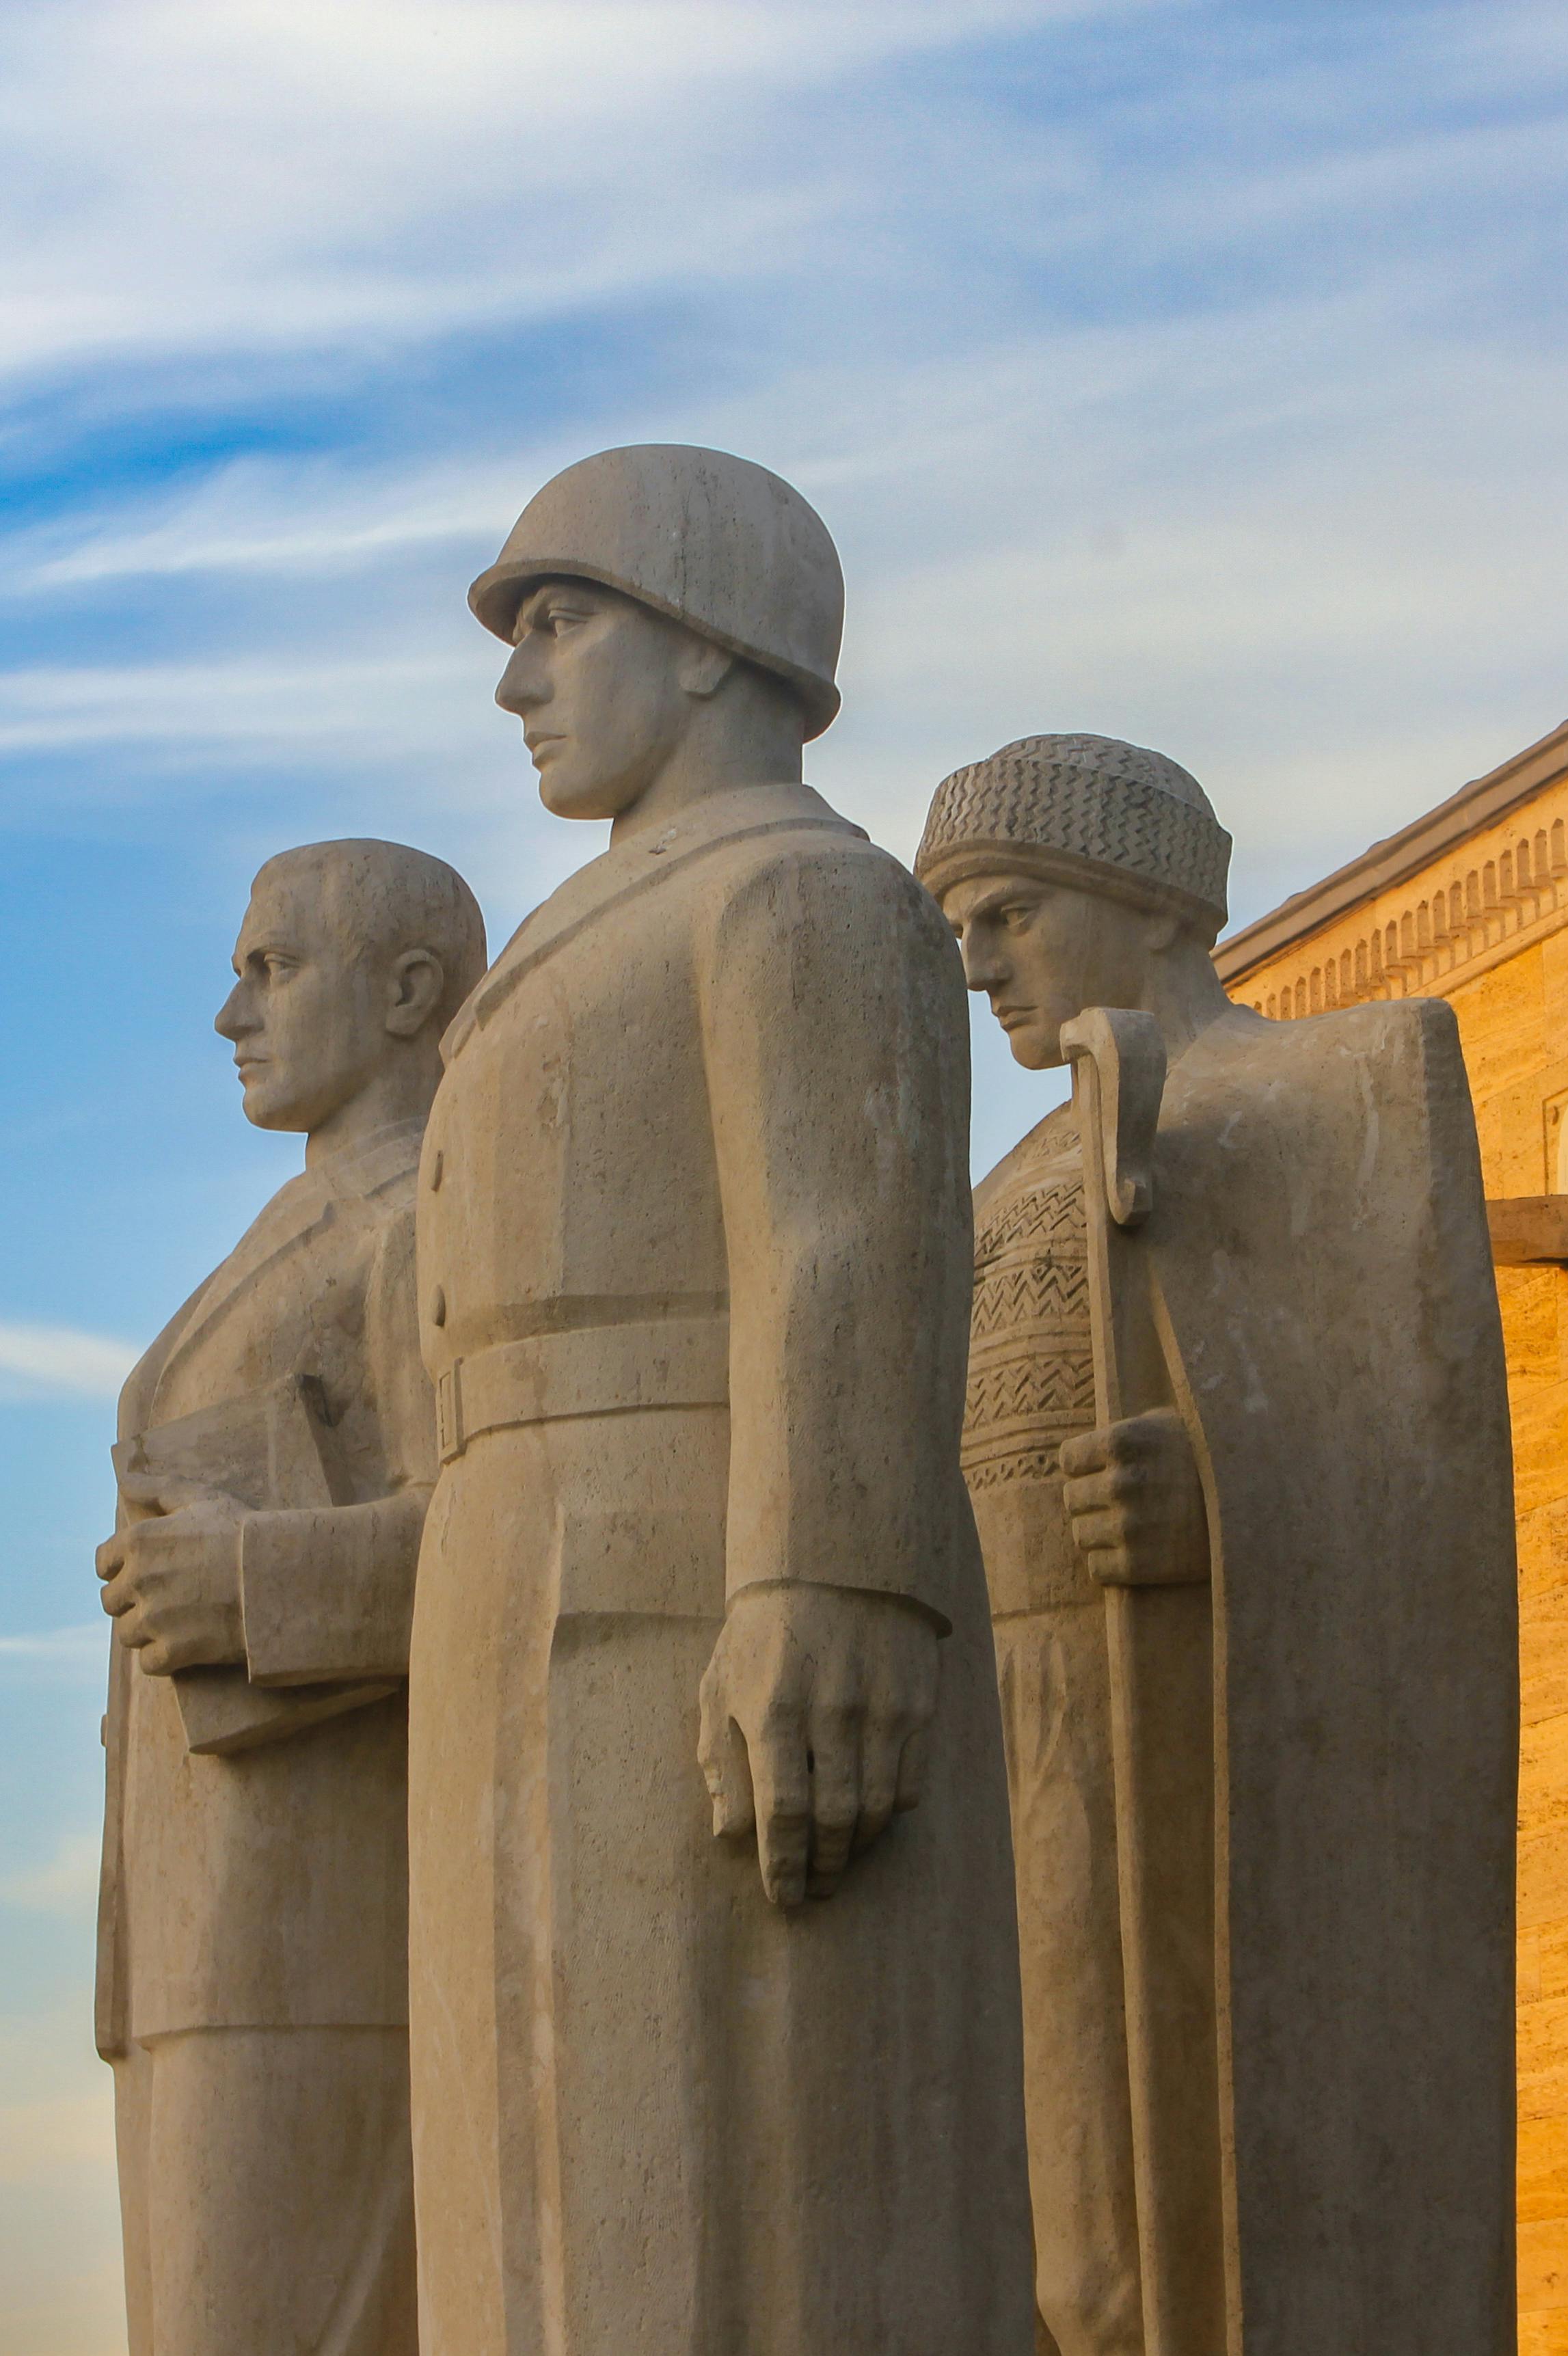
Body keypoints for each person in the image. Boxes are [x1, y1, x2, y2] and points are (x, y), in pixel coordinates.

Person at [407, 444, 1034, 2355]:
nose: (519, 678)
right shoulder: (577, 937)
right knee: (534, 2158)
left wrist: (828, 1583)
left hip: (701, 1548)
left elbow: (844, 1240)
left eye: (562, 618)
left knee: (731, 2145)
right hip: (516, 1558)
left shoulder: (808, 893)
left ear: (706, 645)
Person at [916, 733, 1517, 2356]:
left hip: (1189, 1724)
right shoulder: (998, 1191)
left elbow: (1434, 1457)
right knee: (1032, 2248)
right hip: (1004, 1735)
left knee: (1141, 2260)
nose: (976, 966)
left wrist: (1232, 1496)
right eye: (960, 927)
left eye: (1010, 914)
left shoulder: (1342, 1089)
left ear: (1155, 901)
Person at [96, 838, 486, 2356]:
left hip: (322, 1925)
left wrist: (255, 1580)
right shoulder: (298, 1227)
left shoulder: (431, 1219)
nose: (231, 1012)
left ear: (404, 991)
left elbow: (495, 1520)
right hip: (216, 1918)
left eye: (273, 967)